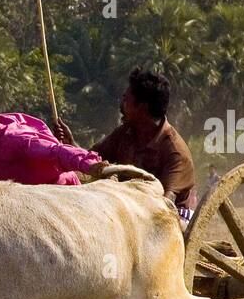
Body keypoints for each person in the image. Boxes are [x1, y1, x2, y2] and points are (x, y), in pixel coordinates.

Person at [55, 68, 198, 225]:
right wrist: (71, 144)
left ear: (142, 107)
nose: (121, 105)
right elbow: (92, 161)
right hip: (129, 210)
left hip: (165, 219)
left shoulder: (176, 153)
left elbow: (164, 205)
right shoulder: (125, 132)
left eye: (126, 99)